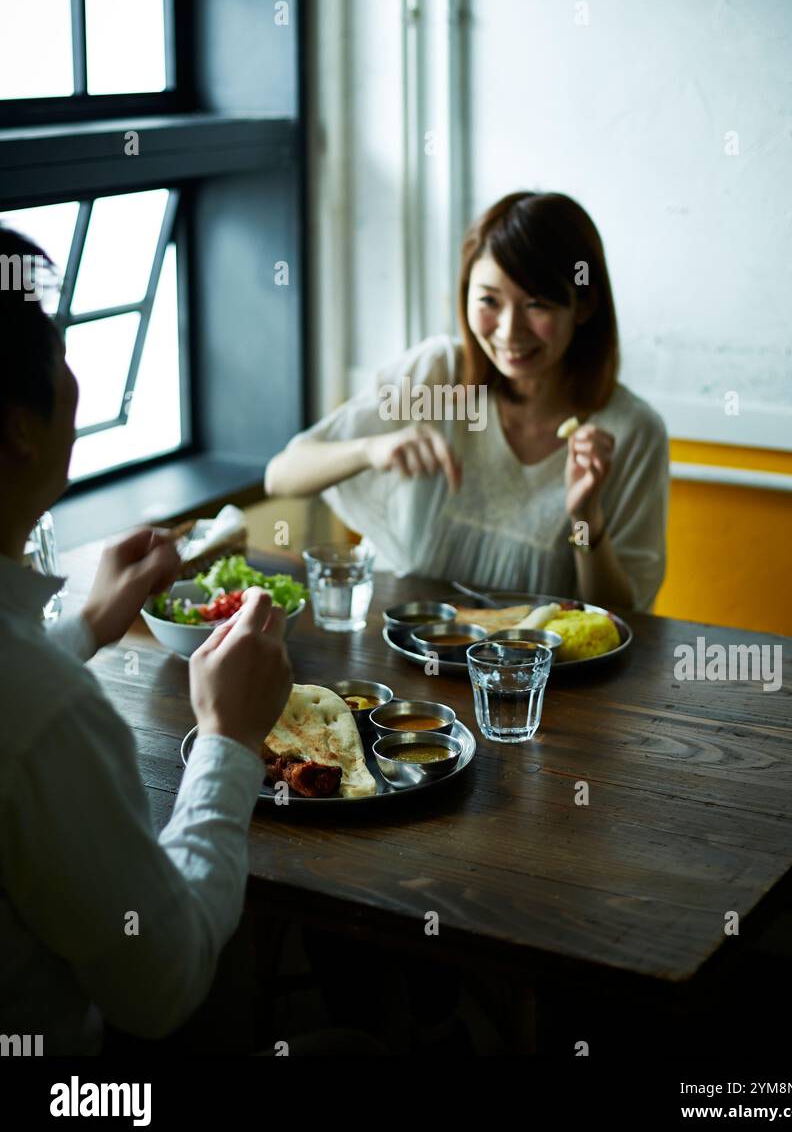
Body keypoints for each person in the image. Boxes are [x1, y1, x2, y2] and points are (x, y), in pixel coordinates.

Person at [0, 228, 293, 1054]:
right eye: (58, 353)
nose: (74, 378)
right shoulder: (52, 717)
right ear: (19, 426)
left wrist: (92, 622)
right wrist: (231, 741)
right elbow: (161, 983)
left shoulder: (31, 691)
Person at [266, 192, 669, 610]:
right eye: (489, 301)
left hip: (525, 675)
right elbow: (281, 475)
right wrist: (373, 448)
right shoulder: (439, 375)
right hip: (393, 648)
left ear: (583, 304)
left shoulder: (632, 431)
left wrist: (586, 518)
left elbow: (625, 617)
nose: (510, 331)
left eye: (537, 305)